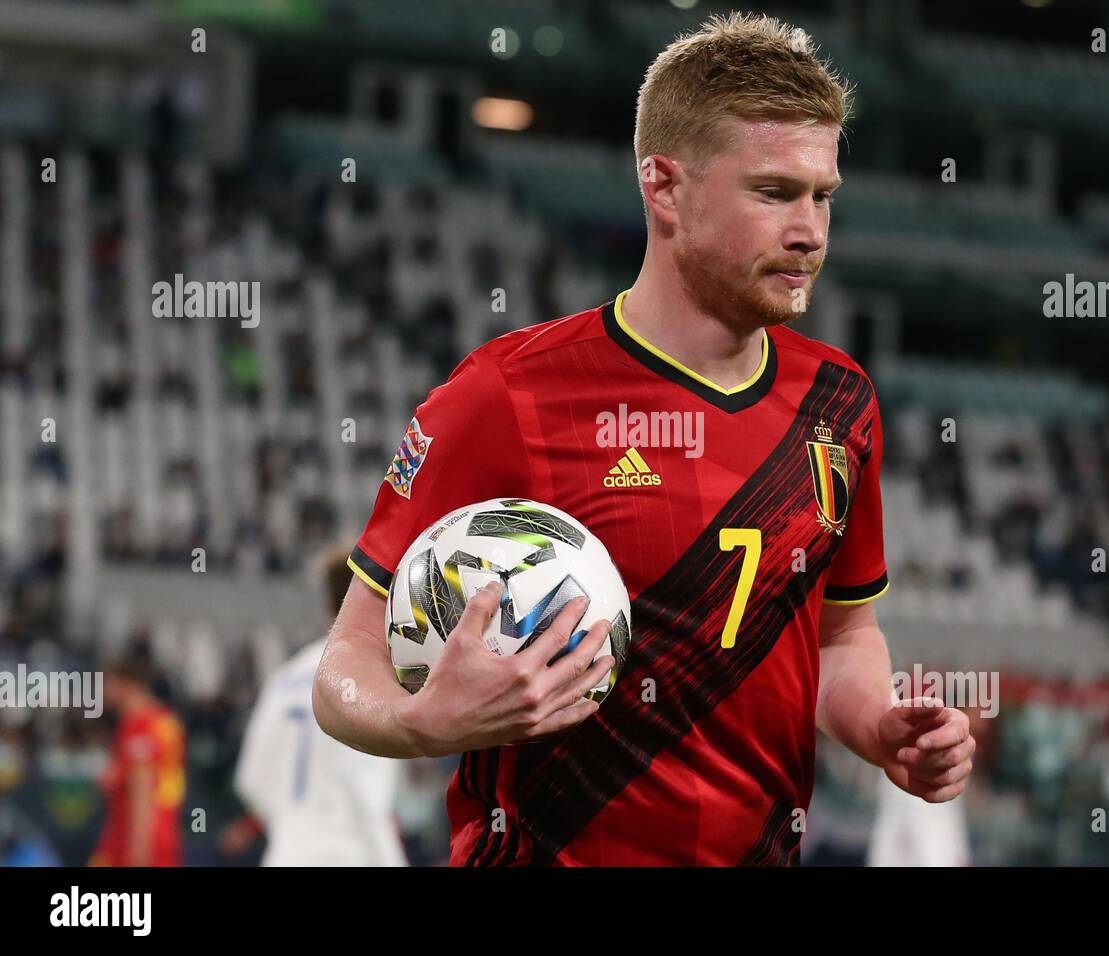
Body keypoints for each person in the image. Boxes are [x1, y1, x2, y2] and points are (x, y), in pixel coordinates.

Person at [314, 12, 975, 866]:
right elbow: (349, 661)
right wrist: (418, 721)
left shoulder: (840, 405)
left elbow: (843, 638)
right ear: (663, 187)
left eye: (823, 196)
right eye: (773, 192)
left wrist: (882, 727)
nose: (809, 230)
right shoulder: (508, 394)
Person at [228, 546, 406, 866]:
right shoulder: (369, 677)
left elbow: (250, 779)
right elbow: (365, 791)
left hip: (286, 854)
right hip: (350, 854)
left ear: (327, 602)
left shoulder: (284, 678)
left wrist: (292, 830)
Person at [90, 649, 186, 866]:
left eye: (106, 683)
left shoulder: (139, 727)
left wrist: (138, 847)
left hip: (132, 837)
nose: (102, 691)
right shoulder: (166, 721)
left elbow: (143, 786)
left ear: (124, 684)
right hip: (164, 833)